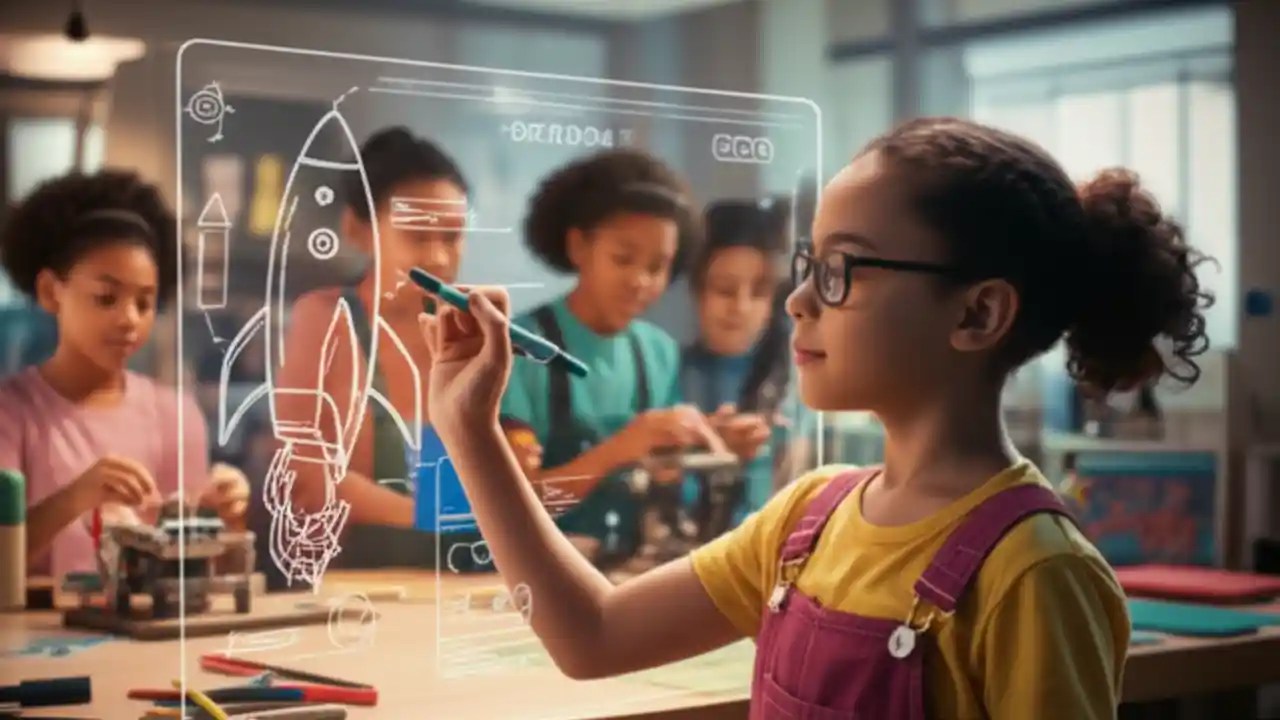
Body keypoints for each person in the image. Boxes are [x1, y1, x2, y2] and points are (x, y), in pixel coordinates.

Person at [419, 116, 1214, 718]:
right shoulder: (809, 517)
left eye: (841, 270)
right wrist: (468, 428)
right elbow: (589, 636)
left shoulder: (1036, 574)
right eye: (809, 266)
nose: (796, 301)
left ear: (977, 314)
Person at [0, 170, 250, 577]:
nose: (128, 319)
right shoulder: (12, 414)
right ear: (50, 292)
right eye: (106, 298)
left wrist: (226, 516)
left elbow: (197, 573)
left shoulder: (175, 416)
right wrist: (74, 499)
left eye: (144, 302)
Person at [497, 148, 722, 567]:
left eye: (658, 267)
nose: (640, 281)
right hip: (538, 575)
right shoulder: (518, 347)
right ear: (578, 245)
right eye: (623, 259)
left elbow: (665, 488)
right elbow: (511, 508)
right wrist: (619, 449)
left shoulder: (658, 352)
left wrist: (698, 448)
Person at [273, 127, 469, 570]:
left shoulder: (471, 334)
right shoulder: (325, 319)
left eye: (453, 236)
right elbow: (309, 475)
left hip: (462, 586)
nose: (439, 258)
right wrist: (434, 515)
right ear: (358, 230)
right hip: (357, 592)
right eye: (418, 237)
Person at [681, 198, 789, 528]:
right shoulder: (666, 375)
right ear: (697, 290)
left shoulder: (795, 386)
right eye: (725, 289)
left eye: (758, 292)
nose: (740, 307)